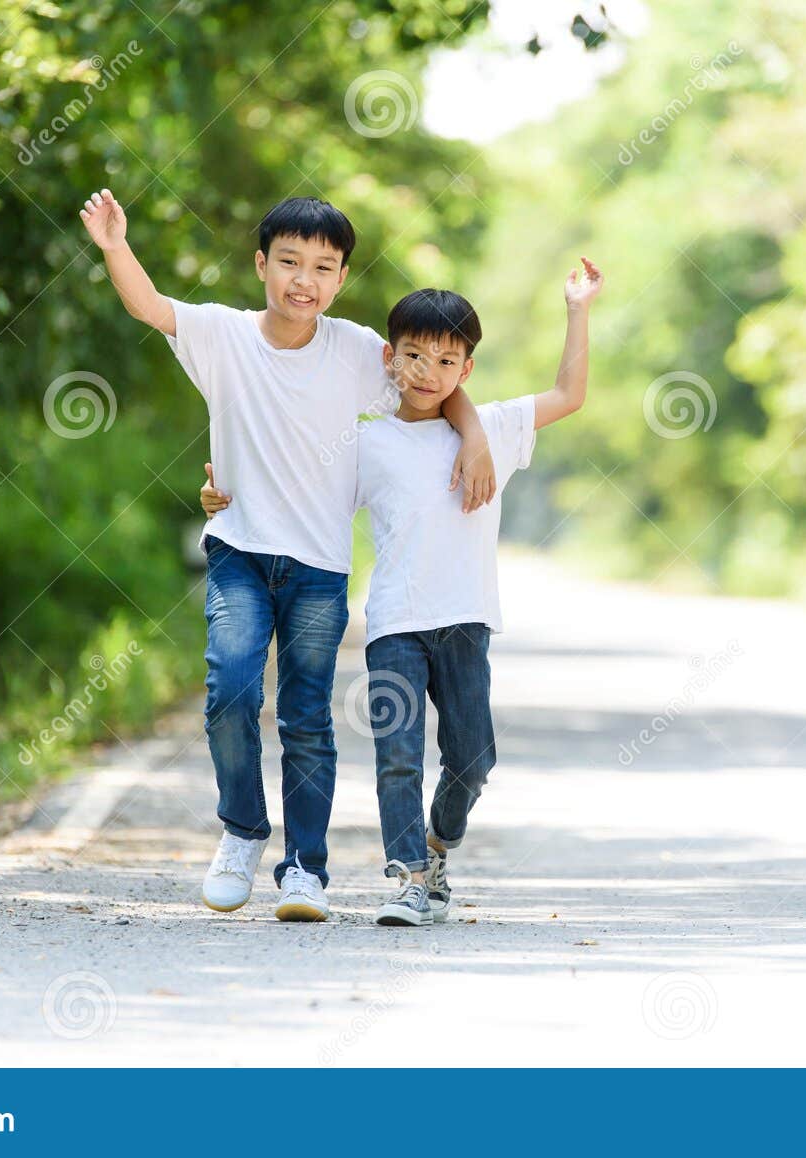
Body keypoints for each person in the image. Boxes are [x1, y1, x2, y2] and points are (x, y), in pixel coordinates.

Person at [79, 188, 498, 921]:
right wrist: (116, 246)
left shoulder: (359, 352)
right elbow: (150, 305)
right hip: (240, 549)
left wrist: (477, 434)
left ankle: (305, 868)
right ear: (261, 264)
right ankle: (241, 830)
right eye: (290, 261)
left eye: (324, 267)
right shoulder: (222, 335)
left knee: (307, 716)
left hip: (319, 566)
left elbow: (435, 381)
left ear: (341, 280)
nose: (304, 279)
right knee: (231, 692)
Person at [202, 259, 605, 925]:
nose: (427, 372)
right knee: (397, 759)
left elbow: (570, 394)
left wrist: (577, 310)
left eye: (447, 361)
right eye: (413, 355)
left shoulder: (496, 430)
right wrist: (222, 491)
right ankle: (409, 878)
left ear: (466, 371)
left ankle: (440, 845)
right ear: (389, 357)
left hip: (467, 621)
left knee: (473, 758)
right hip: (393, 626)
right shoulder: (362, 438)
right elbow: (293, 479)